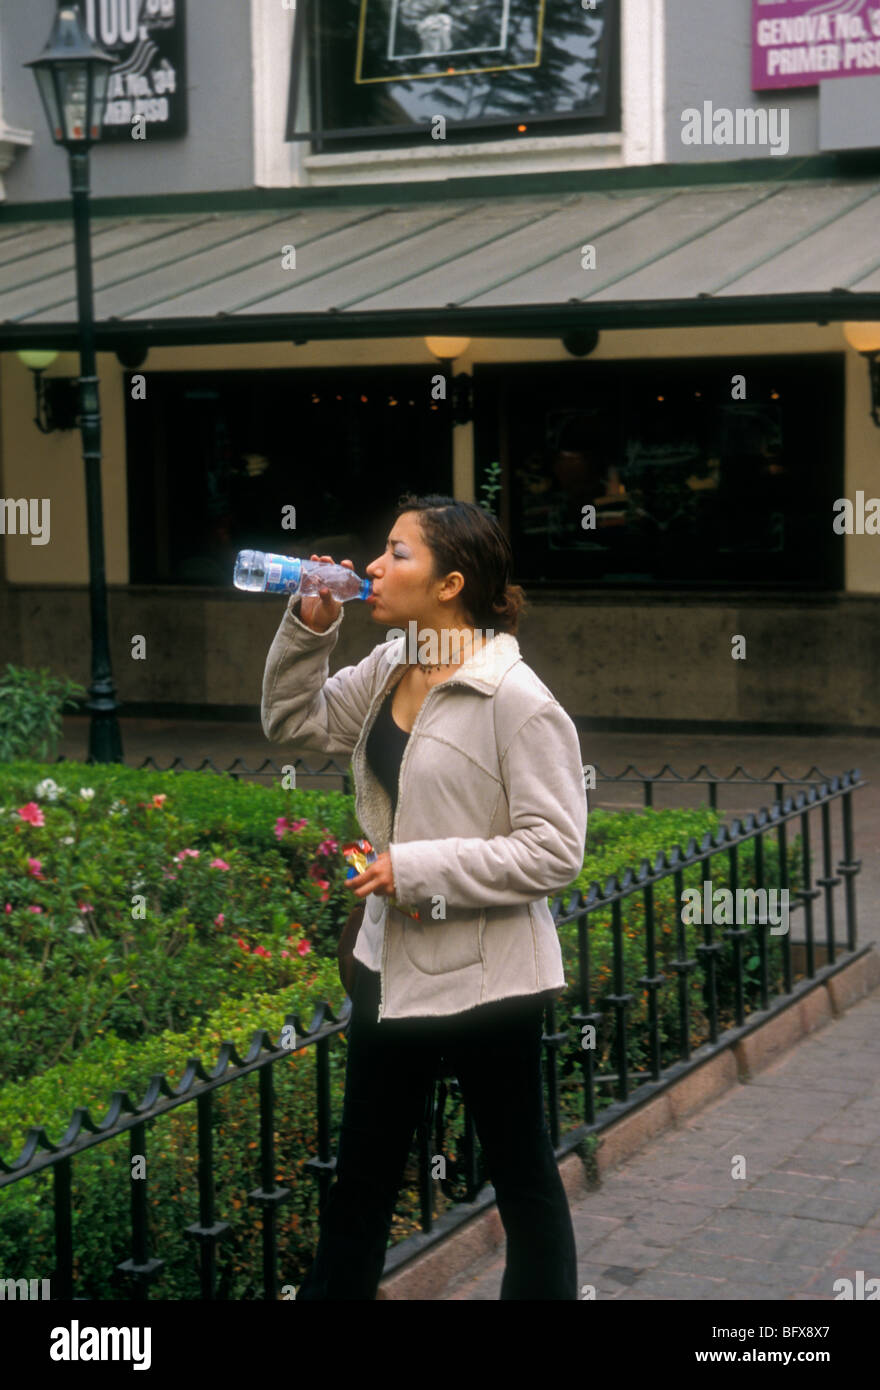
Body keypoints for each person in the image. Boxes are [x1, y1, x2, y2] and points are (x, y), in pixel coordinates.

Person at [260, 493, 587, 1300]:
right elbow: (293, 723)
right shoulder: (389, 664)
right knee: (362, 1178)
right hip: (390, 962)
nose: (371, 567)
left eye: (397, 554)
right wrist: (309, 628)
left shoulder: (517, 699)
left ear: (451, 583)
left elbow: (555, 850)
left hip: (488, 979)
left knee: (522, 1179)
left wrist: (417, 867)